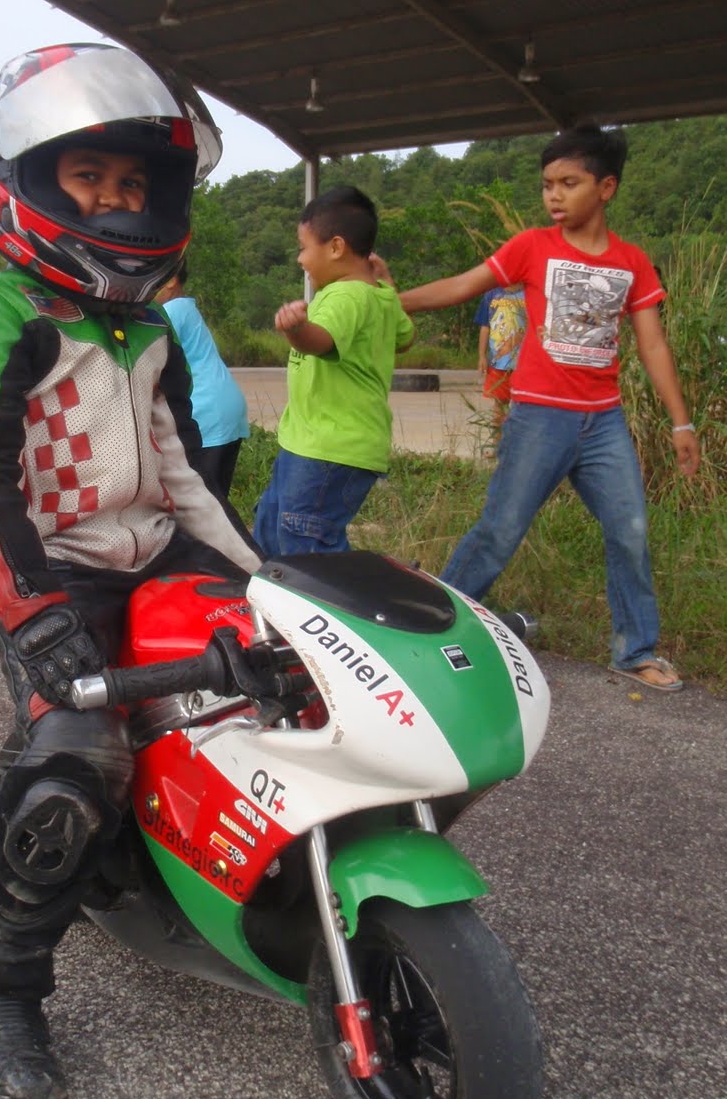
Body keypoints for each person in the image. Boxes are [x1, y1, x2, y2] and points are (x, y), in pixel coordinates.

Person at [0, 43, 260, 1099]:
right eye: (86, 179)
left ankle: (194, 873)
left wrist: (265, 577)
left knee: (262, 678)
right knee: (68, 757)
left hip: (153, 548)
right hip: (50, 573)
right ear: (19, 182)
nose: (115, 200)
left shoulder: (148, 322)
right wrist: (30, 619)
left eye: (130, 182)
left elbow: (173, 468)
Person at [394, 123, 699, 691]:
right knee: (501, 530)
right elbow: (465, 285)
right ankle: (425, 628)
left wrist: (681, 421)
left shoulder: (633, 261)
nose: (554, 196)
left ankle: (635, 651)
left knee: (630, 530)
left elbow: (653, 343)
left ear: (606, 188)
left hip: (604, 422)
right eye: (547, 185)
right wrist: (389, 298)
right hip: (539, 415)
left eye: (569, 183)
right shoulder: (532, 247)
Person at [253, 185, 414, 556]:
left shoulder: (347, 295)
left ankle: (336, 608)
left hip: (327, 448)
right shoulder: (376, 294)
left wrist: (296, 329)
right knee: (275, 527)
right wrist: (388, 285)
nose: (300, 259)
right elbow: (404, 337)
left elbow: (321, 341)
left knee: (304, 542)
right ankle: (274, 604)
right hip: (311, 443)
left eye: (304, 247)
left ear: (337, 247)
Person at [154, 258, 249, 498]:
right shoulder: (186, 308)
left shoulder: (170, 312)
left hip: (206, 413)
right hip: (224, 411)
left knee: (201, 503)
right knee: (217, 499)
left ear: (172, 281)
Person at [474, 283, 526, 437]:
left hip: (523, 364)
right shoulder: (491, 294)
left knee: (522, 406)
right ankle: (497, 443)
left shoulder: (529, 293)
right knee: (499, 405)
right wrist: (482, 356)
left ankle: (517, 445)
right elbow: (485, 327)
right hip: (498, 364)